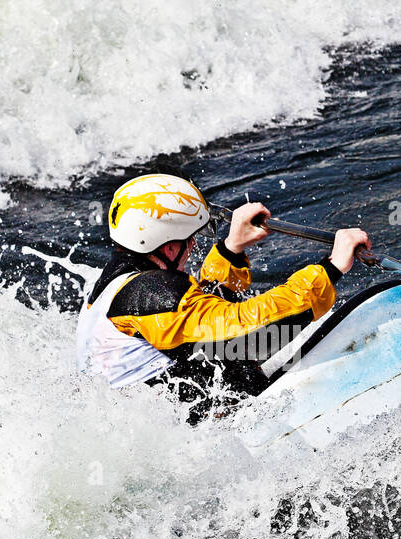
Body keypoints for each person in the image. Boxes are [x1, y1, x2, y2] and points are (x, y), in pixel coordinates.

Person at [75, 173, 369, 416]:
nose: (192, 247)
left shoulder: (116, 284)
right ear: (167, 247)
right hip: (181, 441)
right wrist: (330, 270)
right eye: (188, 240)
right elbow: (246, 337)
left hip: (148, 422)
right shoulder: (150, 292)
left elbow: (200, 316)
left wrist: (231, 249)